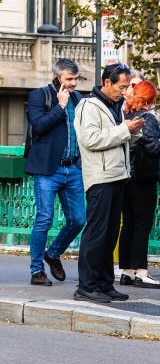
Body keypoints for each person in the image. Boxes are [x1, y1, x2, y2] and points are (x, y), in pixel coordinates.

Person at [73, 63, 143, 303]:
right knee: (96, 233)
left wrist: (133, 132)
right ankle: (86, 286)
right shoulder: (88, 105)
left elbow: (120, 141)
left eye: (126, 87)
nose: (124, 91)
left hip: (118, 176)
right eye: (121, 86)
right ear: (106, 82)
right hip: (100, 178)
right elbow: (90, 139)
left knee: (110, 233)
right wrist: (125, 129)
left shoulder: (116, 107)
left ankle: (104, 284)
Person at [25, 58, 85, 286]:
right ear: (57, 77)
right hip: (48, 169)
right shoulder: (40, 96)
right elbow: (38, 126)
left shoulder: (79, 99)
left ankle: (53, 253)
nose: (73, 83)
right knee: (44, 219)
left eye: (75, 79)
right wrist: (60, 106)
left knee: (78, 219)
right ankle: (37, 270)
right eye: (69, 79)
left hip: (73, 168)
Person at [118, 80, 160, 289]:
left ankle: (127, 271)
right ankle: (141, 272)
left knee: (128, 224)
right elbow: (153, 148)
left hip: (125, 176)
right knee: (142, 225)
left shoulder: (126, 116)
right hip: (142, 178)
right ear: (151, 98)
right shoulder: (148, 118)